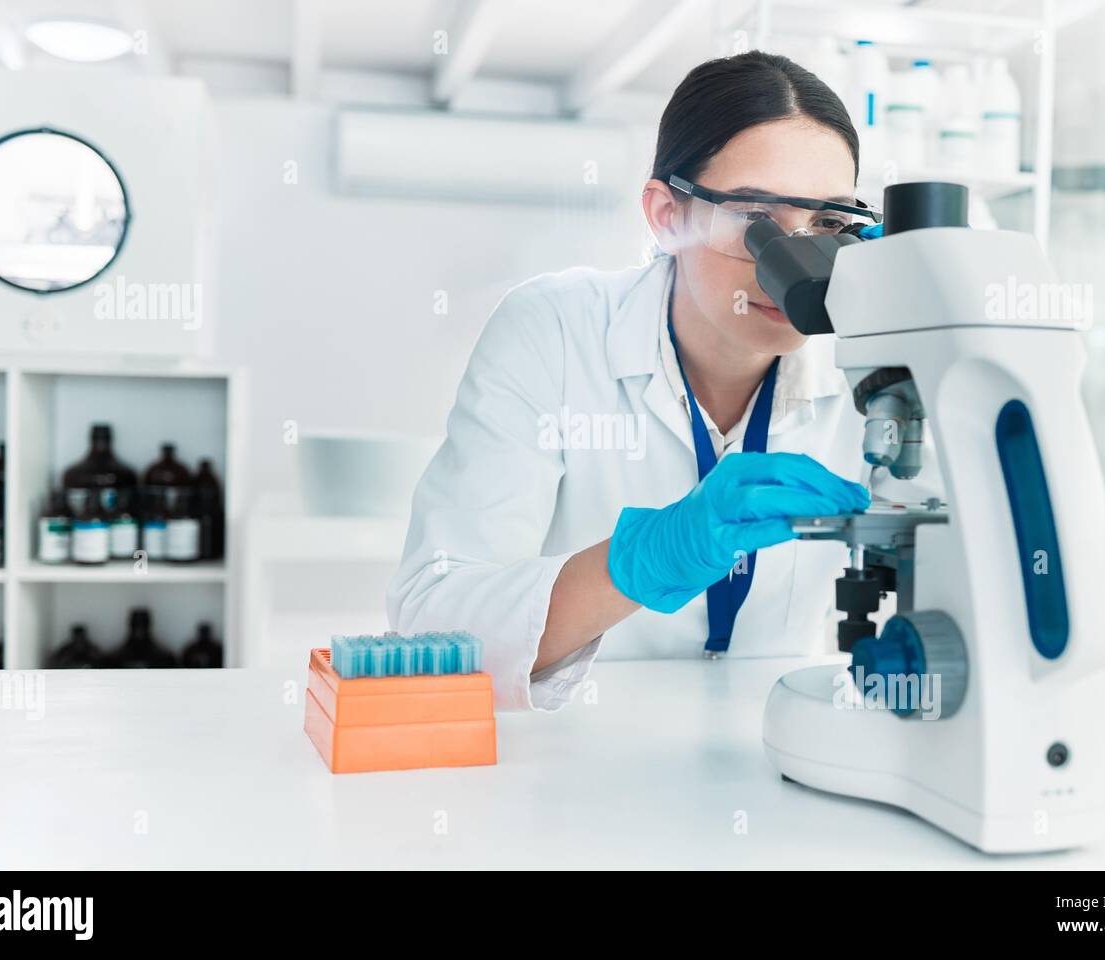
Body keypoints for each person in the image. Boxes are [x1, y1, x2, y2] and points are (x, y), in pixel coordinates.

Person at [389, 50, 920, 711]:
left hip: (770, 752)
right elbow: (430, 627)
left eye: (829, 225)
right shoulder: (553, 330)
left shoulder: (875, 363)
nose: (799, 266)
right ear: (668, 216)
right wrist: (641, 560)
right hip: (572, 762)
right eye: (757, 222)